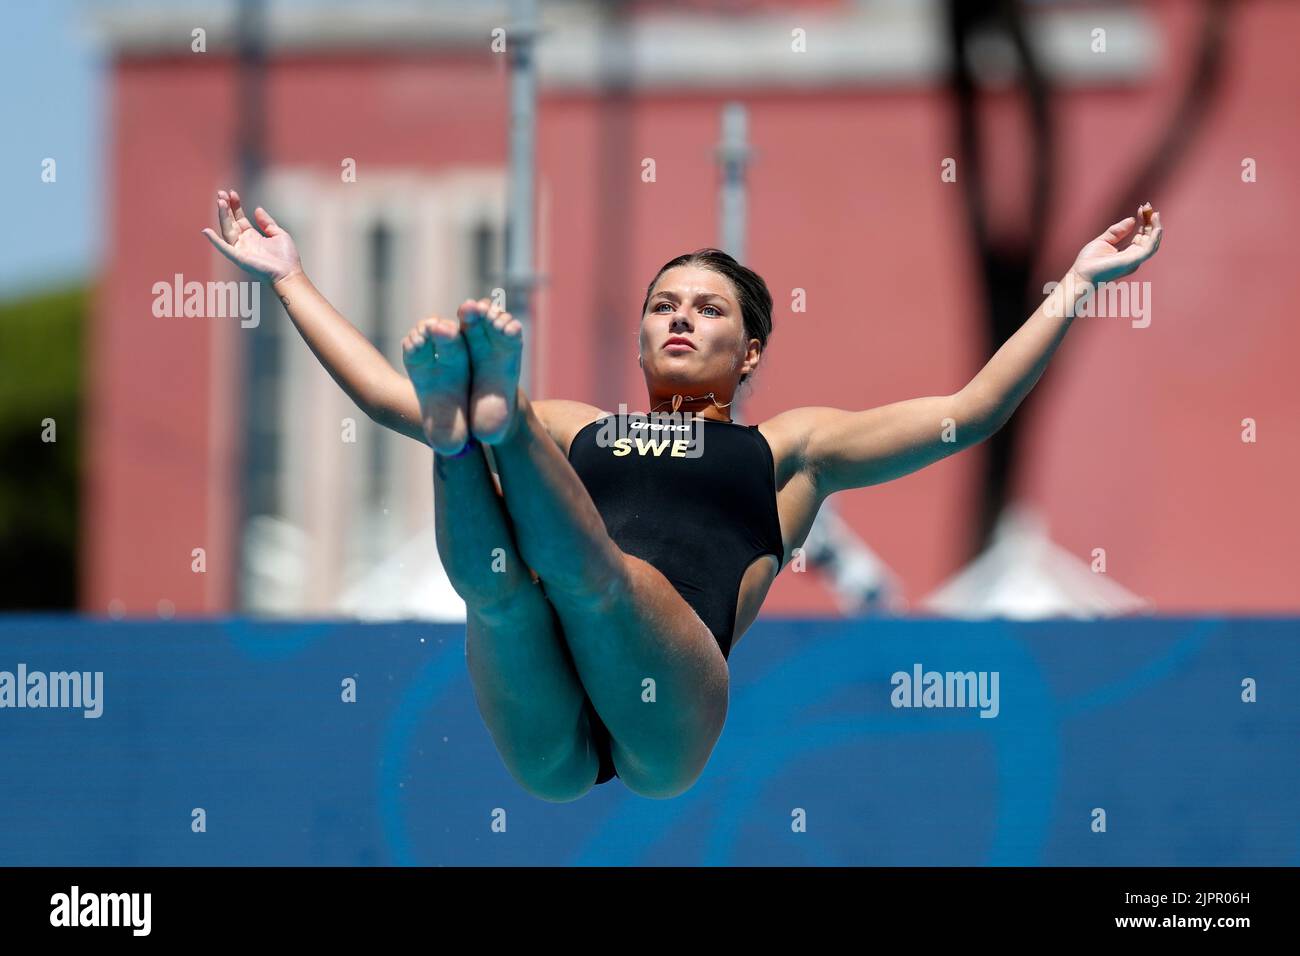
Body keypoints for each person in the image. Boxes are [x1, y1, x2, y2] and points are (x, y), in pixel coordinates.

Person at [203, 189, 1163, 801]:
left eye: (708, 310)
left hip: (671, 708)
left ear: (749, 353)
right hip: (550, 731)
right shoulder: (581, 422)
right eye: (664, 304)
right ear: (639, 338)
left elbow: (974, 408)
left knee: (601, 578)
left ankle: (483, 427)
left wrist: (1078, 280)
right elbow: (381, 394)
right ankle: (465, 433)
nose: (679, 318)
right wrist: (288, 279)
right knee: (497, 595)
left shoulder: (792, 449)